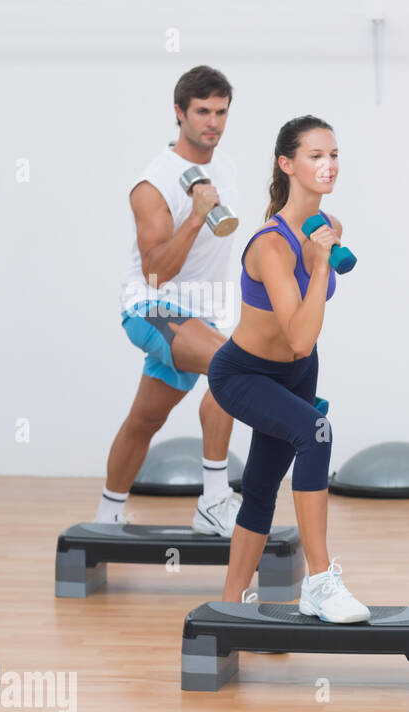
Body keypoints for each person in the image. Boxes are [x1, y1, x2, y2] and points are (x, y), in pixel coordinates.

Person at [208, 115, 368, 623]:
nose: (329, 165)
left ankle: (228, 608)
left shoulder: (327, 229)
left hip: (298, 372)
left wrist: (322, 256)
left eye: (334, 155)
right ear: (287, 164)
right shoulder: (271, 245)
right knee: (315, 435)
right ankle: (319, 581)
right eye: (316, 156)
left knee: (259, 488)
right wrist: (319, 265)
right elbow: (299, 331)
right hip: (244, 374)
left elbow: (303, 344)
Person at [100, 65, 241, 534]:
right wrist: (197, 216)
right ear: (179, 113)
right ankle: (214, 502)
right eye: (202, 111)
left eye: (221, 112)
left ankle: (106, 515)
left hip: (196, 316)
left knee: (145, 419)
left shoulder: (221, 165)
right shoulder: (154, 183)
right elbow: (156, 273)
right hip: (152, 310)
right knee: (234, 367)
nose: (213, 122)